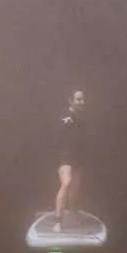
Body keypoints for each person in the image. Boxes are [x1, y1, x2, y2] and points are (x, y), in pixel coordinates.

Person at [53, 89, 87, 227]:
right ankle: (57, 221)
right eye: (78, 99)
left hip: (78, 158)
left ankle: (73, 212)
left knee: (74, 192)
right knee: (66, 183)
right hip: (64, 157)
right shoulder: (64, 117)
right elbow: (56, 136)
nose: (82, 102)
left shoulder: (82, 120)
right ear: (70, 100)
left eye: (82, 99)